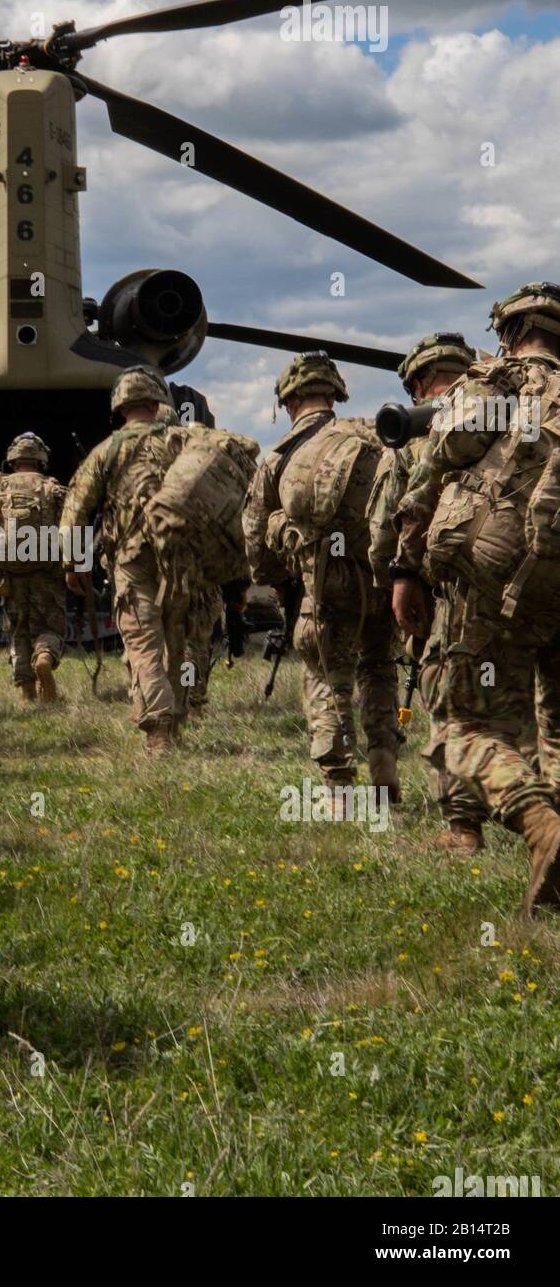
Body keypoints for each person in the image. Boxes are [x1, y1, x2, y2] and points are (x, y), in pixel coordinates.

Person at [393, 285, 560, 915]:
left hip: (492, 572)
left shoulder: (495, 382)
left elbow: (435, 464)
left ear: (510, 332)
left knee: (467, 726)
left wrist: (406, 568)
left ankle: (543, 828)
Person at [243, 351, 399, 805]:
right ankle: (385, 762)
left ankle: (339, 790)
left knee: (328, 680)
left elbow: (255, 533)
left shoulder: (278, 458)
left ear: (289, 401)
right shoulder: (372, 437)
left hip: (325, 588)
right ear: (335, 394)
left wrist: (276, 580)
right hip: (381, 578)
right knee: (379, 668)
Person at [367, 332, 486, 850]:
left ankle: (463, 826)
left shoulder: (417, 434)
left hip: (446, 592)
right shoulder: (509, 418)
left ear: (418, 382)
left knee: (449, 701)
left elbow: (386, 523)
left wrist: (392, 578)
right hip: (523, 585)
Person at [60, 367, 189, 755]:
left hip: (133, 561)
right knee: (175, 643)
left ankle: (159, 731)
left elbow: (76, 511)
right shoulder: (185, 442)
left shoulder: (107, 450)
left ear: (120, 408)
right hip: (182, 560)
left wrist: (74, 563)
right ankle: (175, 717)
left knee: (143, 643)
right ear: (156, 402)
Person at [0, 433, 67, 703]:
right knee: (51, 626)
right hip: (46, 572)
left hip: (7, 573)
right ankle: (44, 655)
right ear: (41, 459)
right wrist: (78, 569)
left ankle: (27, 693)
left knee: (17, 629)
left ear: (12, 459)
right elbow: (72, 531)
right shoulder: (53, 488)